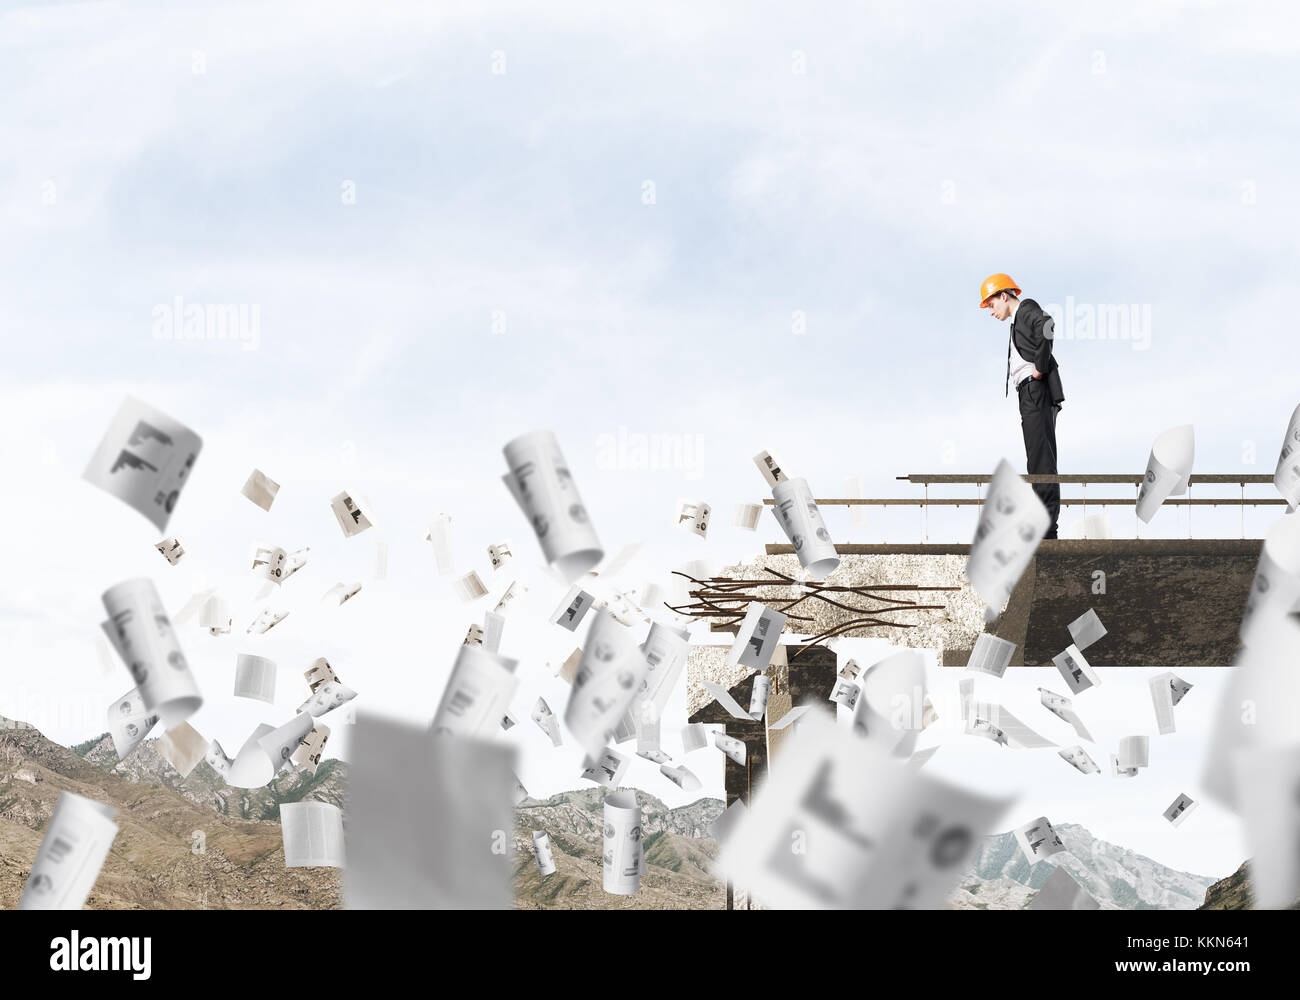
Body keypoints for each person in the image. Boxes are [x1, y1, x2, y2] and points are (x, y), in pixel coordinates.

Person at [980, 273, 1065, 538]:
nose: (991, 312)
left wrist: (1039, 367)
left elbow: (1048, 325)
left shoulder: (1026, 308)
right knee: (1036, 459)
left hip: (1035, 389)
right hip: (1028, 392)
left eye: (991, 304)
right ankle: (1043, 523)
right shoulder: (1016, 322)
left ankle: (1047, 529)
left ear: (1004, 296)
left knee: (1041, 460)